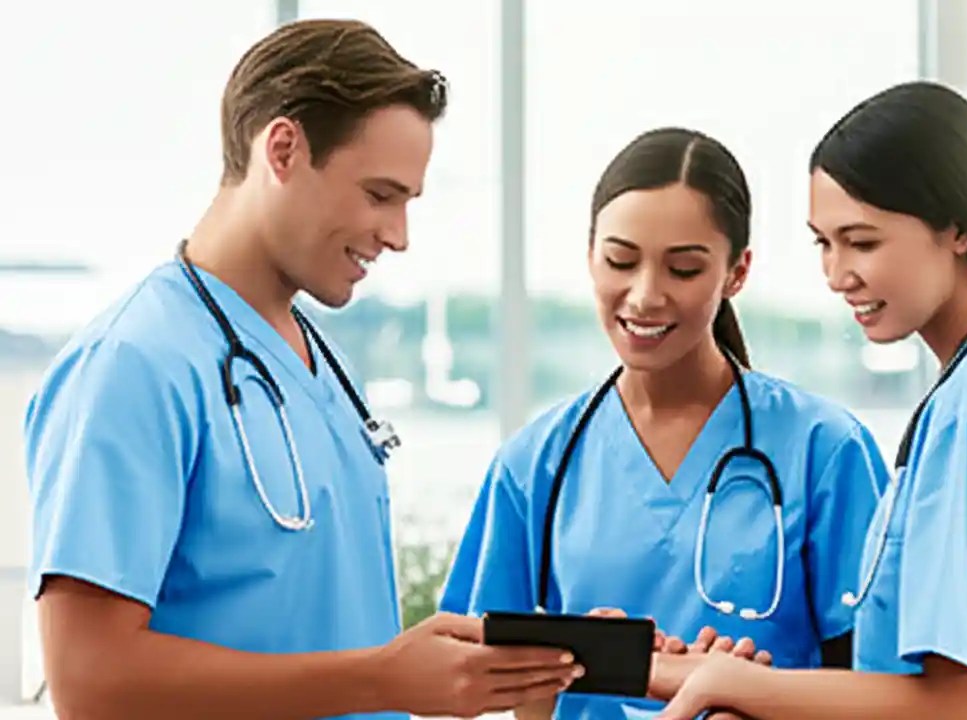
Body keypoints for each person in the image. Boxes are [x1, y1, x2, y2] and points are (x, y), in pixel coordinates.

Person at [23, 19, 582, 720]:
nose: (399, 236)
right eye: (380, 196)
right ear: (283, 149)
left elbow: (325, 632)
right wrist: (381, 679)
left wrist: (455, 665)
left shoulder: (321, 365)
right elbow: (89, 679)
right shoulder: (135, 364)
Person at [652, 81, 967, 720]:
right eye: (823, 243)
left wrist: (733, 685)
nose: (837, 275)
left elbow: (955, 705)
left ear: (960, 230)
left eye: (862, 242)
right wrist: (702, 678)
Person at [439, 126, 891, 719]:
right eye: (621, 261)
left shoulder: (824, 450)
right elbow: (469, 685)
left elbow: (881, 688)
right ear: (591, 256)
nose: (645, 296)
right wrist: (560, 662)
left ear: (737, 273)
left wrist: (754, 697)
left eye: (683, 270)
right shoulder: (535, 465)